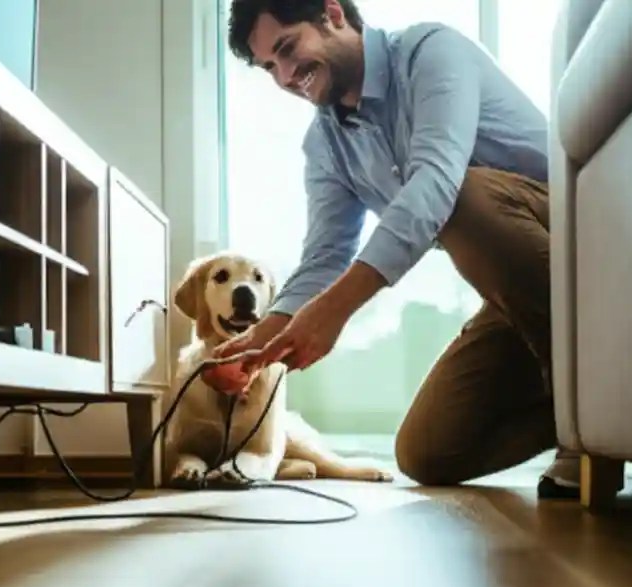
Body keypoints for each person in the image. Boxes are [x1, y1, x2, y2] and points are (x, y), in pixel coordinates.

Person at [215, 0, 580, 497]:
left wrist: (336, 310)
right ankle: (591, 402)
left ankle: (587, 431)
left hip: (578, 251)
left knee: (461, 197)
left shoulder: (432, 52)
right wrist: (262, 339)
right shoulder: (325, 145)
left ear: (333, 14)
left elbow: (435, 183)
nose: (284, 76)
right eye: (269, 67)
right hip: (522, 301)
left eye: (287, 48)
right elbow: (325, 254)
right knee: (428, 451)